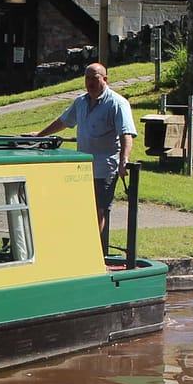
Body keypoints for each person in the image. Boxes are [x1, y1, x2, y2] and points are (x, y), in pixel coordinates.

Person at [34, 62, 137, 251]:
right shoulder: (81, 102)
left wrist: (124, 161)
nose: (90, 82)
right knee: (80, 209)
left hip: (104, 167)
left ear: (104, 79)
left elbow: (126, 135)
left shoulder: (117, 103)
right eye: (87, 78)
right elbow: (63, 122)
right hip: (82, 167)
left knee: (98, 210)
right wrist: (40, 135)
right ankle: (80, 249)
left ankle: (93, 251)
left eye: (94, 78)